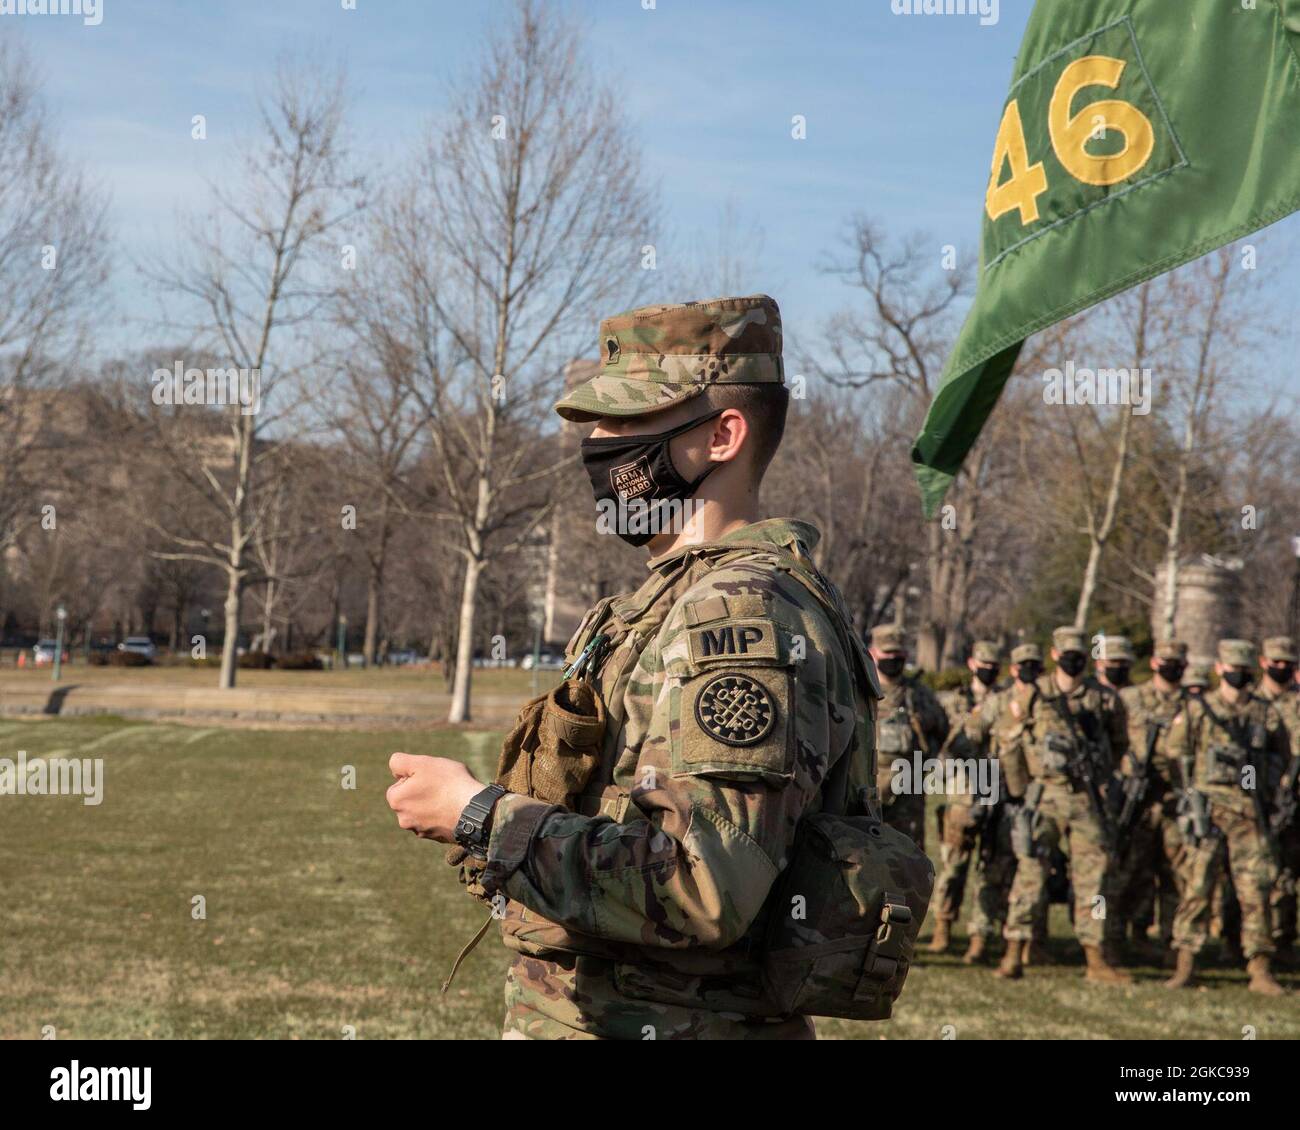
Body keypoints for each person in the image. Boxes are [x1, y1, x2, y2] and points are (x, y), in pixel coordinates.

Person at [383, 294, 921, 1039]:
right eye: (597, 424)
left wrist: (480, 817)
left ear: (723, 435)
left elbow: (701, 886)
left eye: (629, 422)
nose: (599, 446)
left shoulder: (741, 617)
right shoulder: (669, 601)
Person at [994, 626, 1131, 984]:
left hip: (1086, 800)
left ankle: (1096, 958)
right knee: (1030, 874)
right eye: (1067, 653)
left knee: (1094, 879)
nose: (1073, 660)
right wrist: (1021, 788)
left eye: (1079, 654)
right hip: (1045, 796)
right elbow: (1007, 740)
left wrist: (1100, 774)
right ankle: (1014, 952)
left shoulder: (1103, 699)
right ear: (1054, 655)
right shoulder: (1033, 695)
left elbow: (1119, 745)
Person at [1165, 639, 1291, 994]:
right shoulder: (1198, 709)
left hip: (1249, 811)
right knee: (1197, 887)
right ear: (1219, 669)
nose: (1238, 676)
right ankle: (1186, 963)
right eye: (1232, 669)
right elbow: (1174, 750)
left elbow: (1281, 755)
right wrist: (1190, 794)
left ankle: (1260, 967)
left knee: (1256, 890)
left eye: (1244, 671)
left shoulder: (1263, 713)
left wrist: (1270, 791)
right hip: (1208, 809)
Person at [1111, 640, 1192, 964]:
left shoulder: (1194, 704)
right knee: (1128, 870)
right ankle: (1116, 938)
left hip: (1174, 799)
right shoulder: (1130, 699)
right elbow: (1112, 740)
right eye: (1165, 660)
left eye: (1177, 662)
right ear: (1154, 662)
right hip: (1136, 798)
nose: (1171, 666)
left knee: (1175, 875)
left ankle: (1170, 942)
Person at [929, 641, 1006, 957]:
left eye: (994, 665)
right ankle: (943, 927)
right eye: (984, 664)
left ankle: (980, 935)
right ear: (973, 663)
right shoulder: (952, 702)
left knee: (992, 869)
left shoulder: (1007, 700)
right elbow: (944, 746)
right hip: (962, 792)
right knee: (953, 866)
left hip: (999, 792)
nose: (989, 670)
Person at [869, 624, 948, 853]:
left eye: (899, 654)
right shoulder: (861, 692)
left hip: (908, 802)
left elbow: (942, 732)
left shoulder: (920, 695)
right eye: (888, 653)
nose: (894, 659)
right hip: (868, 801)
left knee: (908, 872)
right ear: (873, 653)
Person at [1258, 636, 1300, 964]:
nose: (1282, 667)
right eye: (1276, 661)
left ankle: (1284, 940)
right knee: (1255, 873)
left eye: (1288, 662)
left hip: (1293, 800)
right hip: (1259, 800)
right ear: (1263, 662)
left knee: (1287, 873)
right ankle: (1241, 940)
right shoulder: (1250, 703)